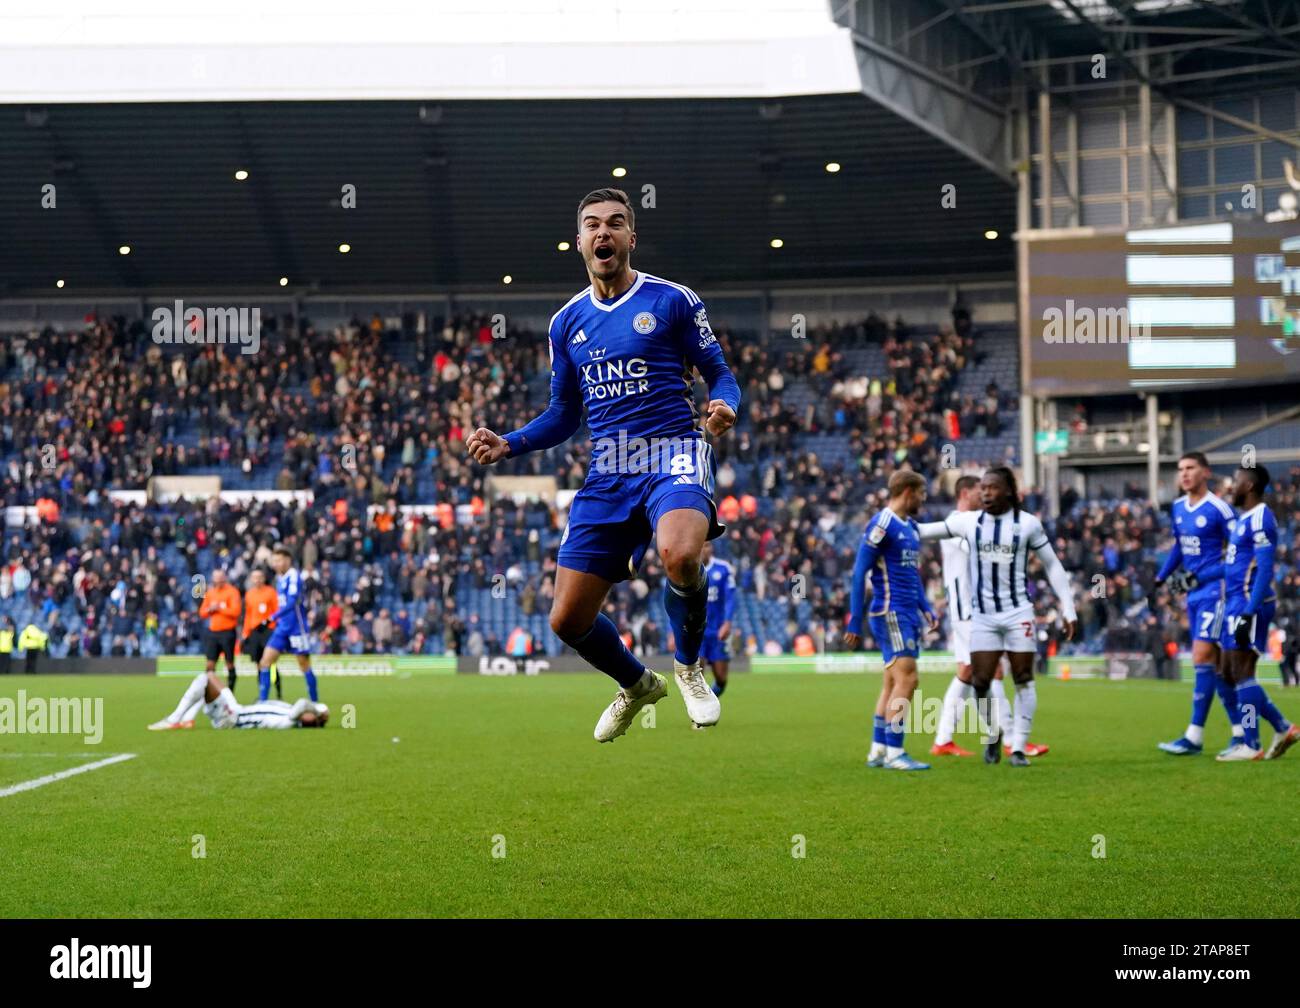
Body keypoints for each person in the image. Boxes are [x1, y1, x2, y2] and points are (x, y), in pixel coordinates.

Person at [465, 187, 740, 742]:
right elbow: (565, 414)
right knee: (567, 620)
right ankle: (638, 684)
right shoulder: (566, 322)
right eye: (592, 225)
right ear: (579, 241)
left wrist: (724, 405)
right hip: (608, 468)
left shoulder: (672, 301)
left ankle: (688, 667)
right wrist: (509, 444)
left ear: (630, 238)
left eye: (615, 224)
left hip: (674, 451)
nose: (603, 233)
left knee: (680, 554)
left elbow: (720, 371)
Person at [918, 467, 1077, 768]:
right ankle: (994, 736)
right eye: (981, 489)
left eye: (991, 488)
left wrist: (1068, 607)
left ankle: (1005, 740)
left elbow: (1051, 564)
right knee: (978, 674)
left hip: (1010, 611)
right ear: (969, 493)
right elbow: (929, 532)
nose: (985, 493)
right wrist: (891, 522)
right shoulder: (961, 523)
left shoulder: (1022, 524)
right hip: (971, 610)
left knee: (998, 674)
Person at [843, 470, 939, 771]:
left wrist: (926, 607)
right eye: (921, 493)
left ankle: (878, 750)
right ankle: (896, 753)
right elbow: (859, 572)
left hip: (907, 611)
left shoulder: (911, 527)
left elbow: (912, 573)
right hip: (891, 611)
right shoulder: (883, 524)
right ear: (909, 492)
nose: (923, 499)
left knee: (892, 682)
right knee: (908, 679)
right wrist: (854, 618)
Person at [1153, 452, 1242, 756]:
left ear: (1205, 472)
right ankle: (1241, 732)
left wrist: (1201, 576)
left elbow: (1238, 555)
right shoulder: (1178, 507)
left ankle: (1194, 735)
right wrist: (1162, 576)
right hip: (1194, 595)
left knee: (1202, 658)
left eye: (1190, 468)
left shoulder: (1219, 509)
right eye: (1180, 470)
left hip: (1216, 592)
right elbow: (1180, 545)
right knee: (1216, 668)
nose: (1185, 474)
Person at [1215, 466, 1299, 761]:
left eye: (1235, 482)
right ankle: (1282, 726)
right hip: (1235, 602)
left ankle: (1251, 743)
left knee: (1241, 672)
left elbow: (1265, 568)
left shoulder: (1262, 517)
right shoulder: (1243, 520)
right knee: (1225, 671)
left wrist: (1249, 613)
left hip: (1250, 603)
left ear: (1249, 485)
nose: (1231, 487)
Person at [147, 671, 328, 731]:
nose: (309, 714)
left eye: (313, 716)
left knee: (204, 679)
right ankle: (187, 719)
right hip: (237, 709)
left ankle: (174, 719)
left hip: (231, 719)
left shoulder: (289, 721)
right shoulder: (289, 712)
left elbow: (304, 704)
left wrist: (319, 711)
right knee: (211, 675)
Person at [257, 547, 319, 703]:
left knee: (304, 665)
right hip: (282, 628)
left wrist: (272, 617)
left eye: (278, 560)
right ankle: (262, 703)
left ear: (287, 560)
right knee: (265, 662)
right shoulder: (280, 578)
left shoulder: (294, 577)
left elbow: (292, 603)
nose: (276, 564)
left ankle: (315, 703)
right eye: (274, 560)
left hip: (297, 627)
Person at [700, 541, 736, 699]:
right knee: (696, 677)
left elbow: (730, 598)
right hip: (696, 632)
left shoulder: (723, 569)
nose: (703, 549)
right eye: (700, 545)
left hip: (718, 631)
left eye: (707, 545)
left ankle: (708, 703)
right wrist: (672, 631)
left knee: (721, 680)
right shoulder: (687, 569)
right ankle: (698, 715)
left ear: (711, 548)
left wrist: (728, 622)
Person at [199, 568, 242, 691]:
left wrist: (219, 608)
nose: (218, 580)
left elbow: (236, 612)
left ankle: (230, 693)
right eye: (216, 578)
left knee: (229, 663)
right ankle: (210, 693)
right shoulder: (210, 592)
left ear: (224, 578)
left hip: (228, 633)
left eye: (220, 578)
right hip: (213, 633)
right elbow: (202, 612)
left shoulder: (232, 592)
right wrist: (210, 610)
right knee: (210, 664)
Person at [242, 569, 280, 699]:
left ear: (263, 578)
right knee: (258, 663)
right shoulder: (249, 594)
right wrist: (246, 632)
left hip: (268, 630)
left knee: (271, 662)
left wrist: (274, 628)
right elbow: (248, 614)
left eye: (259, 577)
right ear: (251, 579)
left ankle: (278, 691)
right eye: (254, 577)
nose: (257, 580)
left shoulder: (271, 592)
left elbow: (277, 612)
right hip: (255, 632)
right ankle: (262, 693)